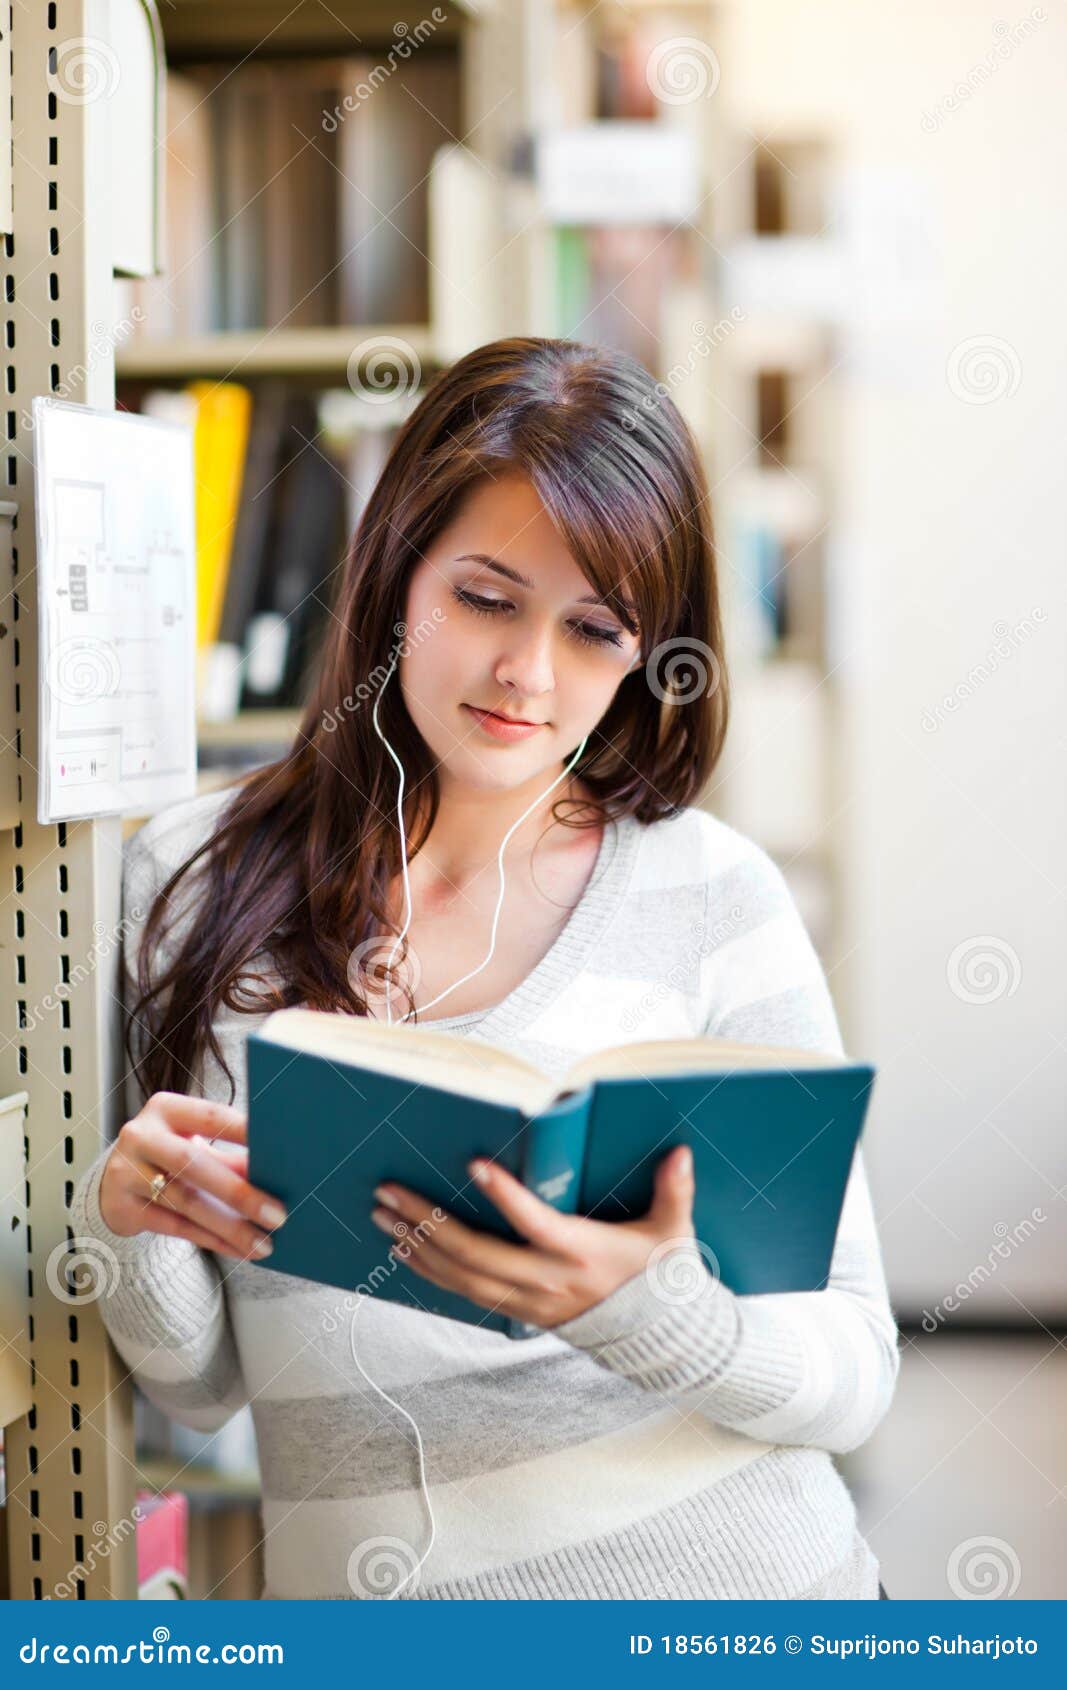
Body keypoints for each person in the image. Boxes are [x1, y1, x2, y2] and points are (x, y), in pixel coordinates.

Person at [71, 336, 899, 1600]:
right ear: (397, 571)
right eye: (485, 598)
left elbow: (853, 1370)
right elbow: (200, 1382)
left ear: (645, 653)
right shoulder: (190, 881)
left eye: (593, 630)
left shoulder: (712, 895)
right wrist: (131, 1224)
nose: (528, 674)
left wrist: (642, 1307)